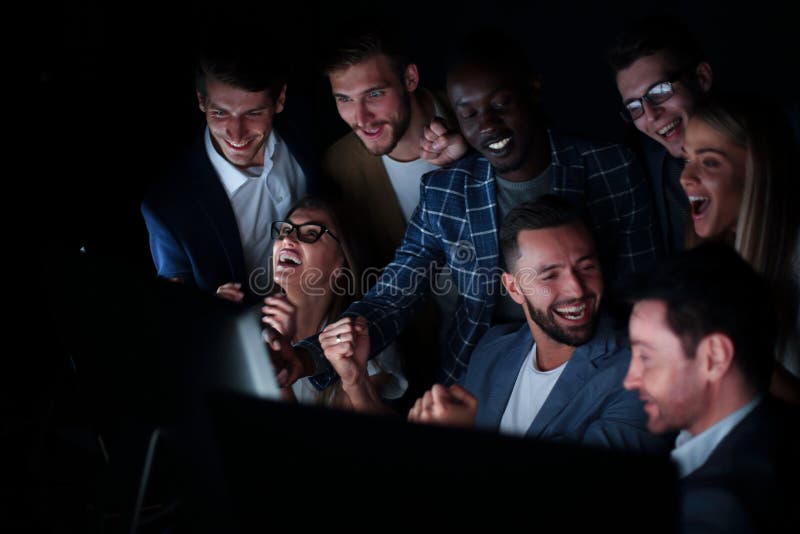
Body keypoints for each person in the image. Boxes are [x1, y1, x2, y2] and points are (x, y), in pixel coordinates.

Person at [291, 31, 658, 390]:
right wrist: (306, 358)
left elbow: (641, 288)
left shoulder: (609, 166)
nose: (487, 125)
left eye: (500, 105)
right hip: (478, 372)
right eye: (469, 114)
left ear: (532, 90)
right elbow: (393, 295)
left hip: (596, 365)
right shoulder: (445, 192)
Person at [325, 196, 665, 452]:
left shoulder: (639, 373)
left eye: (587, 267)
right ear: (513, 288)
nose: (577, 289)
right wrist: (355, 381)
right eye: (550, 274)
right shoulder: (494, 348)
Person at [623, 242, 799, 533]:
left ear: (714, 357)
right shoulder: (782, 428)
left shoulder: (719, 509)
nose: (630, 379)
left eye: (645, 357)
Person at [141, 33, 313, 303]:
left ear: (280, 99)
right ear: (201, 101)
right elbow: (175, 313)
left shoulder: (309, 132)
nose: (236, 134)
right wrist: (213, 310)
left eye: (253, 113)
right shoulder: (167, 207)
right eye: (220, 113)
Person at [219, 197, 406, 407]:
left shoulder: (362, 335)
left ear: (340, 261)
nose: (288, 240)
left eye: (310, 234)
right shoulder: (243, 326)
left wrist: (278, 371)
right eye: (285, 231)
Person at [679, 95, 800, 397]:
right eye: (686, 159)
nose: (685, 177)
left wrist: (735, 350)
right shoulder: (717, 254)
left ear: (758, 170)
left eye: (709, 162)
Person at [321, 24, 466, 270]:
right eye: (344, 99)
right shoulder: (339, 168)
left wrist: (471, 162)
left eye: (374, 94)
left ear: (410, 79)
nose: (361, 118)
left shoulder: (473, 119)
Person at [608, 16, 713, 254]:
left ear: (702, 78)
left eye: (659, 90)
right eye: (634, 107)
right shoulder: (643, 167)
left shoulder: (779, 142)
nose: (651, 115)